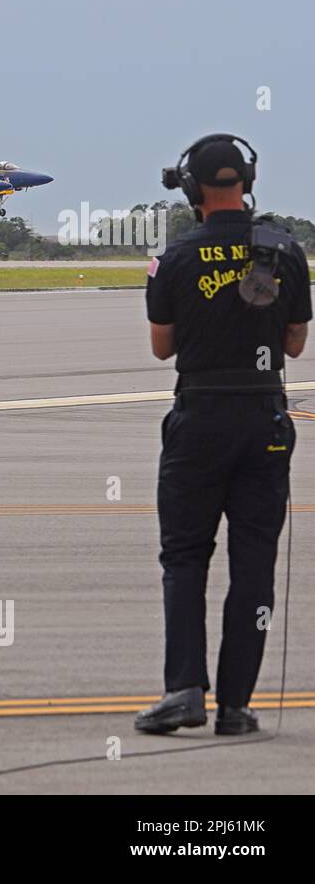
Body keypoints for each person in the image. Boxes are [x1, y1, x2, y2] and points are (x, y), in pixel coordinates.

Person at [137, 135, 310, 736]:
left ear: (192, 190)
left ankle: (184, 690)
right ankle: (236, 707)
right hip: (264, 419)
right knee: (254, 564)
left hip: (200, 419)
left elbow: (162, 348)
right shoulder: (285, 251)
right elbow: (294, 342)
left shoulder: (174, 257)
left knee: (185, 557)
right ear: (248, 180)